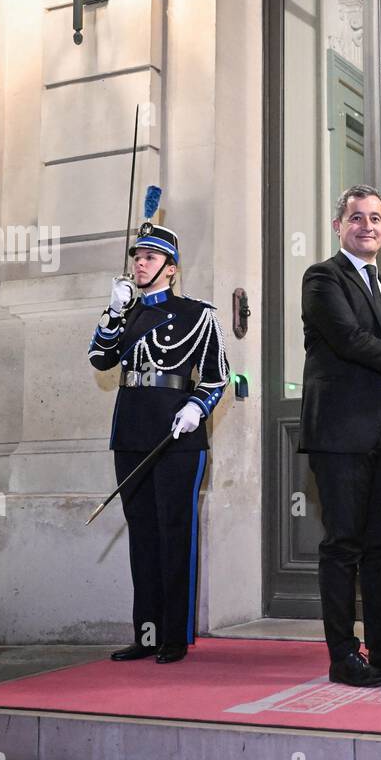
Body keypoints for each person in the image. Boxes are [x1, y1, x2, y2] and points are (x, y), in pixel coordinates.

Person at [299, 184, 381, 688]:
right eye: (356, 218)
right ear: (339, 226)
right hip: (342, 434)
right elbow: (350, 340)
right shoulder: (321, 278)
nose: (368, 226)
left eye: (376, 218)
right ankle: (342, 656)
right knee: (344, 545)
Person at [88, 222, 230, 664]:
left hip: (177, 435)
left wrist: (197, 407)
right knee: (143, 535)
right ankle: (146, 633)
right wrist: (112, 313)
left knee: (175, 531)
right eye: (137, 256)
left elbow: (217, 375)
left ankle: (174, 635)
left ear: (171, 268)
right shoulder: (126, 312)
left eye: (150, 258)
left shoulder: (197, 314)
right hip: (131, 431)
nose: (140, 263)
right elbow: (99, 358)